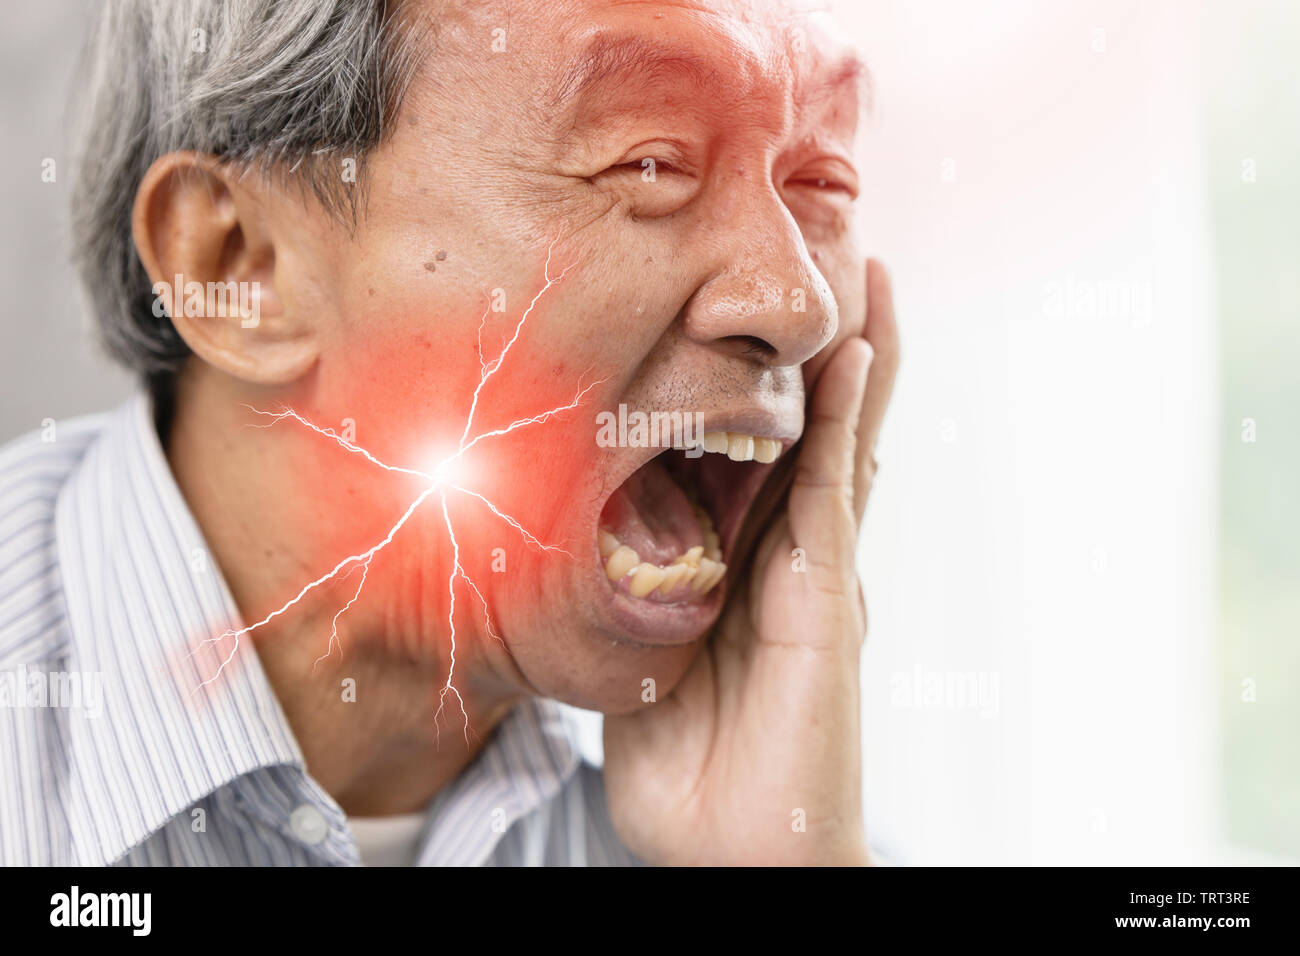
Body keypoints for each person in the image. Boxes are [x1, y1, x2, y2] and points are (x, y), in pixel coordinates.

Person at [0, 0, 898, 866]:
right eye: (648, 164)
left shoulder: (768, 828)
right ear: (240, 268)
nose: (797, 305)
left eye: (821, 182)